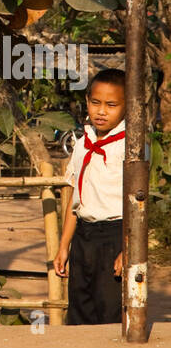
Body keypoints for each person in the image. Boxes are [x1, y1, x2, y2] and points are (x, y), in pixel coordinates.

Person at [54, 70, 126, 325]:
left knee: (110, 312)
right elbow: (76, 197)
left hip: (116, 236)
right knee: (80, 309)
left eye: (112, 105)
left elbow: (138, 203)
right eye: (96, 103)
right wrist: (64, 246)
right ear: (87, 101)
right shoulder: (83, 142)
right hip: (84, 238)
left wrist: (128, 249)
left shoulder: (131, 146)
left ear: (127, 106)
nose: (102, 111)